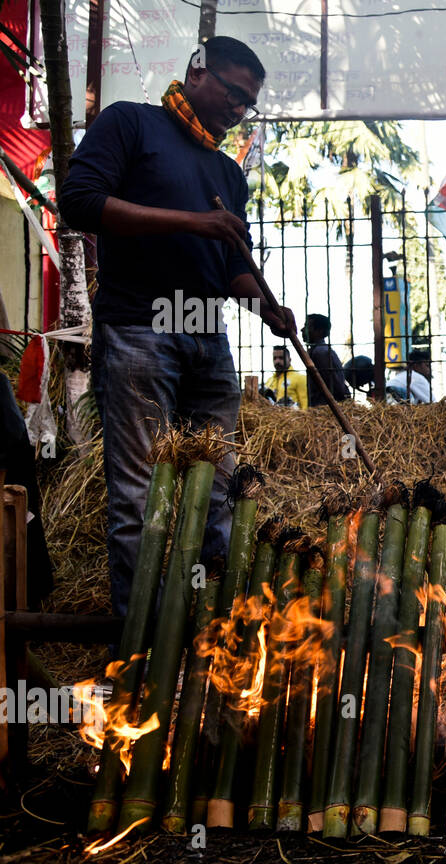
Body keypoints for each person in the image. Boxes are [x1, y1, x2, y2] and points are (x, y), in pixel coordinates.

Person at [60, 36, 290, 619]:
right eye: (234, 93)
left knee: (217, 494)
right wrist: (194, 222)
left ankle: (206, 637)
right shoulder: (130, 125)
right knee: (140, 499)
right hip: (140, 331)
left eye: (248, 103)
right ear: (196, 71)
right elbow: (80, 202)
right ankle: (136, 651)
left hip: (207, 337)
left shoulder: (227, 174)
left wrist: (266, 304)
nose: (239, 110)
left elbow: (235, 265)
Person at [304, 313, 349, 407]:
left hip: (327, 409)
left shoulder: (320, 352)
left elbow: (336, 386)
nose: (302, 330)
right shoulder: (318, 350)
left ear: (319, 331)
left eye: (307, 326)